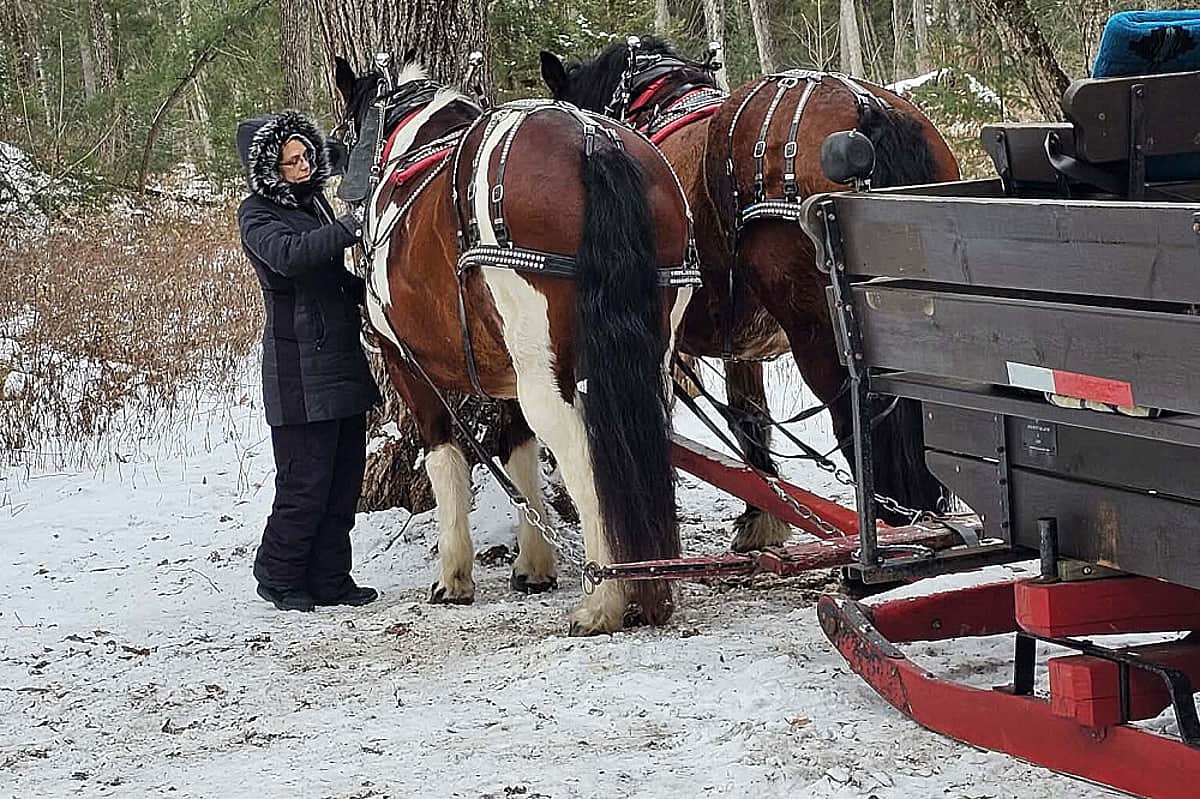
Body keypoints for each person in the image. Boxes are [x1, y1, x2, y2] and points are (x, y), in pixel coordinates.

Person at [235, 109, 381, 612]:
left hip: (339, 356)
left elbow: (330, 275)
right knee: (304, 483)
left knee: (344, 483)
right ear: (266, 171)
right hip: (297, 368)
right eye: (288, 160)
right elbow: (291, 258)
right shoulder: (256, 214)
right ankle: (278, 575)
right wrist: (351, 225)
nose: (301, 165)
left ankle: (331, 578)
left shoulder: (314, 204)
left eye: (304, 156)